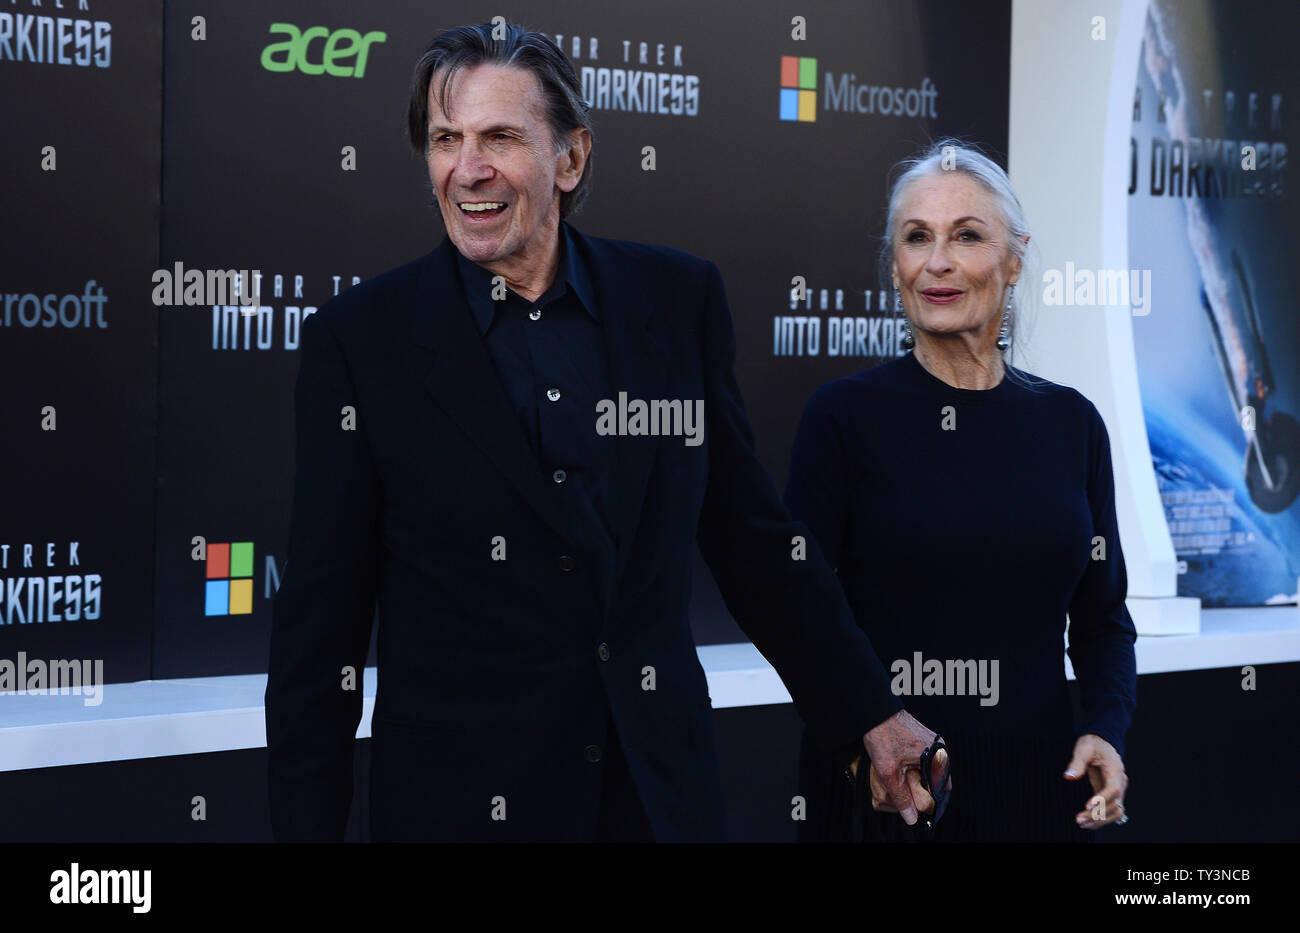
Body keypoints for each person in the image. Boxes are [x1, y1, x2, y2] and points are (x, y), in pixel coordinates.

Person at [264, 22, 944, 842]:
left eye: (500, 138)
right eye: (447, 140)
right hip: (461, 811)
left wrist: (871, 712)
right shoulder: (362, 341)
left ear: (571, 158)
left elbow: (757, 544)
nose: (467, 169)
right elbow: (318, 630)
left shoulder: (675, 303)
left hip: (656, 800)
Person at [785, 140, 1137, 842]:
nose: (937, 261)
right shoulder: (843, 418)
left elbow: (1102, 619)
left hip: (1040, 798)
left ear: (1014, 260)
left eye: (967, 236)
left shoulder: (1071, 423)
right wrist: (870, 740)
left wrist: (1105, 728)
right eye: (917, 238)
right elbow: (800, 615)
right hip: (889, 798)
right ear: (895, 265)